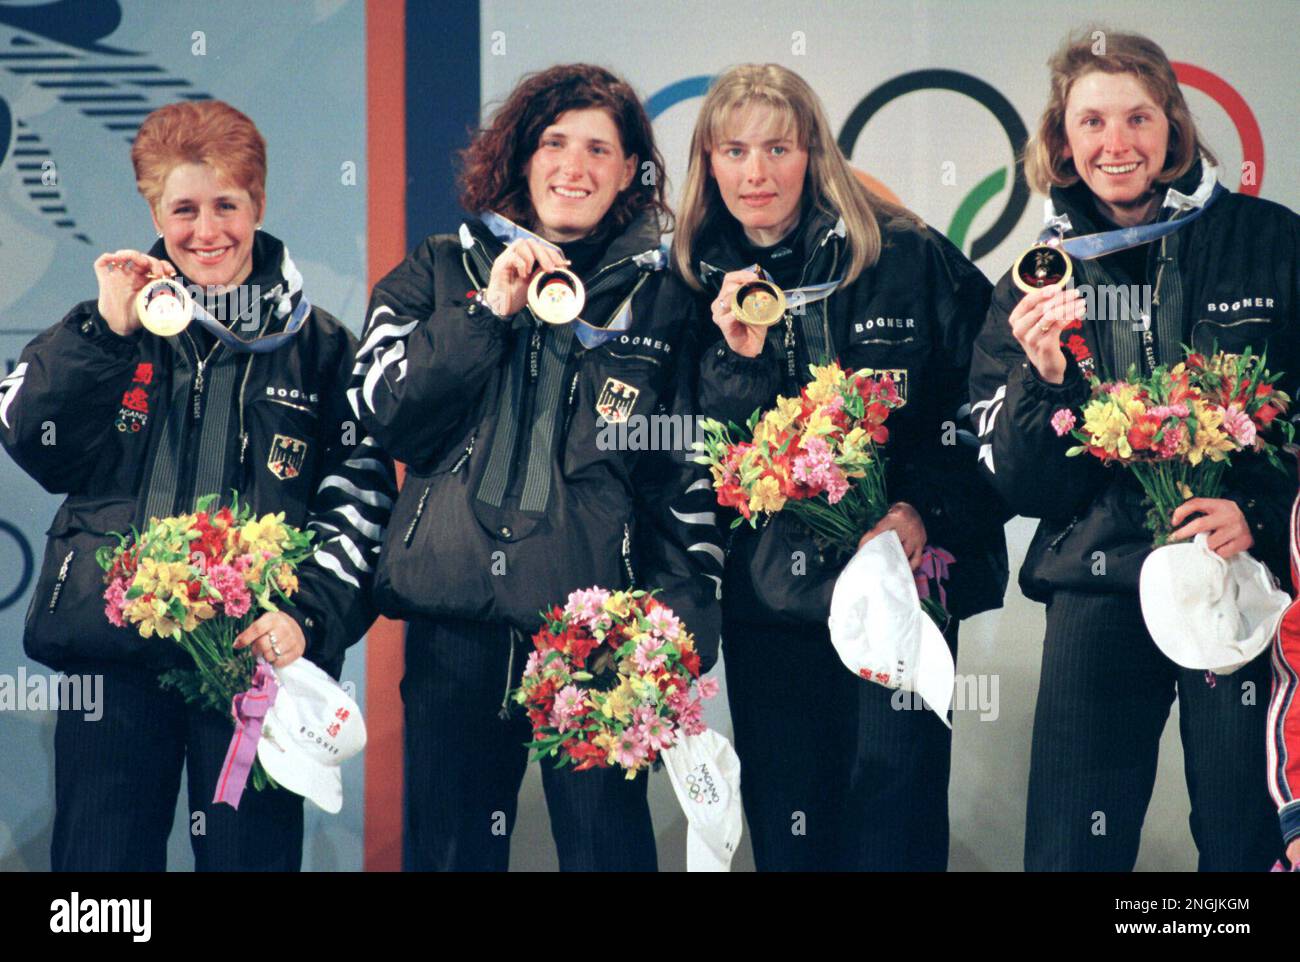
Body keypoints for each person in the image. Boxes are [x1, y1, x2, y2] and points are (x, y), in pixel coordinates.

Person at [1, 100, 395, 871]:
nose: (205, 230)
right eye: (183, 208)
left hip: (251, 660)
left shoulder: (321, 349)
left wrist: (306, 621)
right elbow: (29, 434)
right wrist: (104, 336)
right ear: (153, 208)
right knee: (99, 885)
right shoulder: (110, 324)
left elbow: (361, 500)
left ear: (259, 205)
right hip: (114, 656)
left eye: (227, 205)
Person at [352, 64, 721, 872]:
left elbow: (685, 479)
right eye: (554, 142)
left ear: (630, 172)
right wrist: (488, 315)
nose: (573, 167)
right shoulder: (443, 268)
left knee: (606, 854)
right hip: (458, 624)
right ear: (522, 156)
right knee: (451, 854)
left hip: (599, 636)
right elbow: (383, 412)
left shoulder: (663, 300)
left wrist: (678, 626)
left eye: (599, 149)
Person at [969, 30, 1299, 871]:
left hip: (1241, 581)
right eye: (1091, 123)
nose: (1116, 144)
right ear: (1063, 142)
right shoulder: (1034, 280)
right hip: (1098, 585)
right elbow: (1021, 488)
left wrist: (1259, 513)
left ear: (1174, 126)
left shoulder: (1270, 242)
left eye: (1137, 117)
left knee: (1245, 842)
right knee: (1072, 850)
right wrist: (1044, 375)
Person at [673, 63, 1008, 871]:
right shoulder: (685, 284)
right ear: (708, 164)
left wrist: (917, 512)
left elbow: (988, 409)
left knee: (897, 828)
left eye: (779, 148)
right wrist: (737, 362)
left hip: (902, 587)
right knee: (791, 834)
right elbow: (687, 459)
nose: (757, 173)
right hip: (768, 604)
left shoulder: (907, 255)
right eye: (735, 150)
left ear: (815, 152)